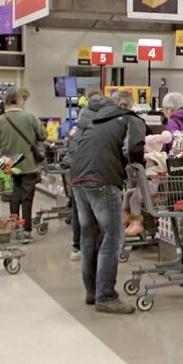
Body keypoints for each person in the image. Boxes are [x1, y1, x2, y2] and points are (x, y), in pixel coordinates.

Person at [70, 90, 146, 314]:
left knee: (89, 236)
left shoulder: (97, 119)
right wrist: (135, 166)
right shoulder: (132, 119)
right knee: (113, 236)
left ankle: (92, 292)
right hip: (102, 178)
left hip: (78, 178)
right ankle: (106, 296)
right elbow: (133, 148)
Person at [0, 88, 46, 238]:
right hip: (28, 164)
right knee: (27, 198)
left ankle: (14, 228)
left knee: (13, 197)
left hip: (8, 165)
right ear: (18, 101)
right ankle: (26, 230)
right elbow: (43, 135)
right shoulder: (30, 117)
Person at [64, 88, 109, 261]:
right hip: (96, 175)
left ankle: (78, 247)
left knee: (80, 212)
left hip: (77, 174)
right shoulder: (102, 126)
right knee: (98, 212)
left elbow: (71, 149)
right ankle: (100, 247)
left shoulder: (79, 126)